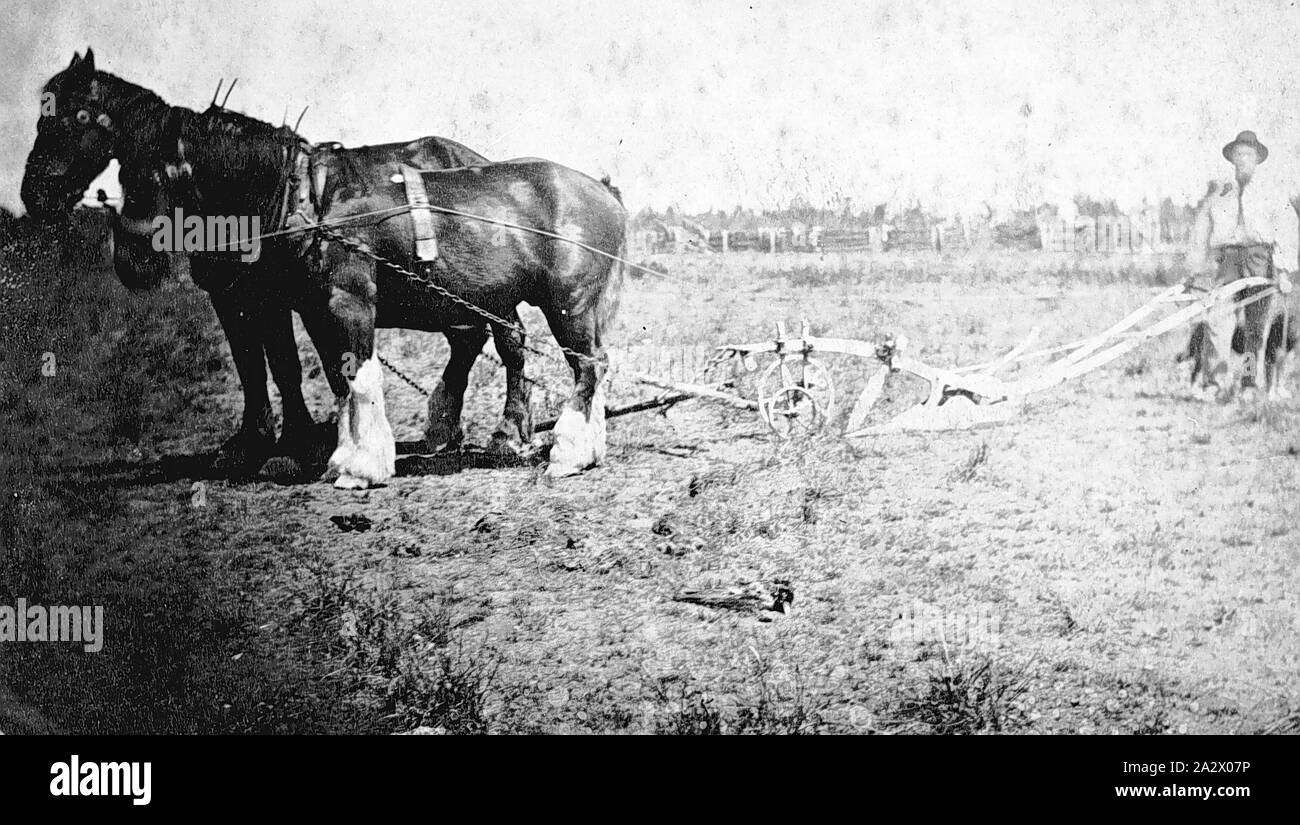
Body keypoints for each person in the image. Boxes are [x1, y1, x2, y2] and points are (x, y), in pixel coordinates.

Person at [1186, 130, 1296, 401]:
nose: (1242, 160)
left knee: (1255, 330)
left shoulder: (1271, 193)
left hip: (1260, 261)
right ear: (1232, 158)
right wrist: (1197, 267)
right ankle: (1216, 383)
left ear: (1258, 159)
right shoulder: (1222, 191)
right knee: (1217, 320)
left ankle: (1248, 384)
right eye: (1238, 154)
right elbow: (1204, 227)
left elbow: (1286, 228)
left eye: (1248, 154)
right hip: (1228, 262)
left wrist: (1283, 270)